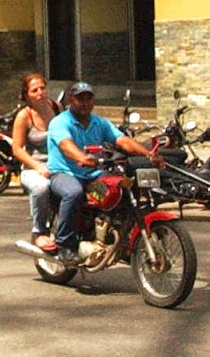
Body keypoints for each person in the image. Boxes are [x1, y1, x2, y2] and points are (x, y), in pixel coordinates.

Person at [46, 82, 154, 264]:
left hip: (93, 173)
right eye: (80, 98)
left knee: (124, 187)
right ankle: (65, 245)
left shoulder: (99, 122)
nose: (85, 103)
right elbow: (66, 145)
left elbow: (121, 140)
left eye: (88, 98)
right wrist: (82, 157)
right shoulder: (60, 122)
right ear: (70, 100)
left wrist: (149, 154)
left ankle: (123, 238)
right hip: (64, 173)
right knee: (73, 193)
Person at [10, 72, 61, 252]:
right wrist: (38, 166)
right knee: (42, 187)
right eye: (34, 90)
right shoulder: (24, 116)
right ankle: (39, 231)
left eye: (42, 88)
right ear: (26, 95)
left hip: (59, 164)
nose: (40, 93)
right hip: (34, 168)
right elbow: (17, 149)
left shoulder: (56, 108)